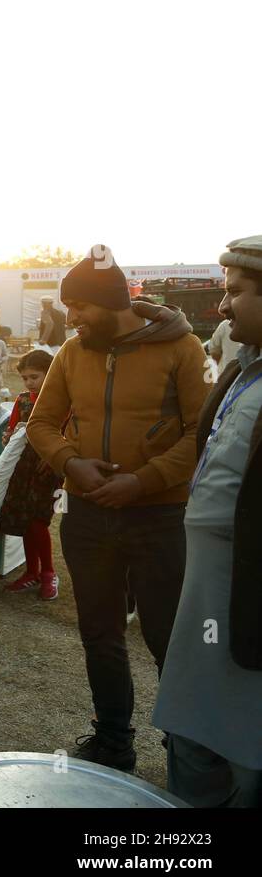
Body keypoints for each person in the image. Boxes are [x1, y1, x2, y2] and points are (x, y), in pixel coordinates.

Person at [26, 254, 208, 772]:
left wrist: (142, 481)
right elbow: (42, 425)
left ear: (110, 303)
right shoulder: (71, 352)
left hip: (158, 518)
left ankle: (189, 748)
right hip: (87, 516)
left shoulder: (182, 347)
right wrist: (71, 464)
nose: (72, 318)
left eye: (79, 306)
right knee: (99, 632)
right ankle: (113, 740)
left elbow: (203, 433)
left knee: (166, 634)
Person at [153, 239, 262, 807]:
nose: (222, 308)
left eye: (235, 293)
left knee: (244, 738)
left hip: (247, 594)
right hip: (207, 587)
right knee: (193, 720)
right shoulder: (242, 373)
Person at [0, 349, 63, 600]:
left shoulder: (62, 400)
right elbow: (12, 430)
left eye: (34, 376)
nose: (29, 382)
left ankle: (48, 572)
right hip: (23, 467)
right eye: (25, 377)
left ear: (50, 373)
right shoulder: (23, 400)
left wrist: (53, 459)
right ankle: (32, 571)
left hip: (49, 469)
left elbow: (68, 434)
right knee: (25, 520)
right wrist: (7, 437)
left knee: (39, 520)